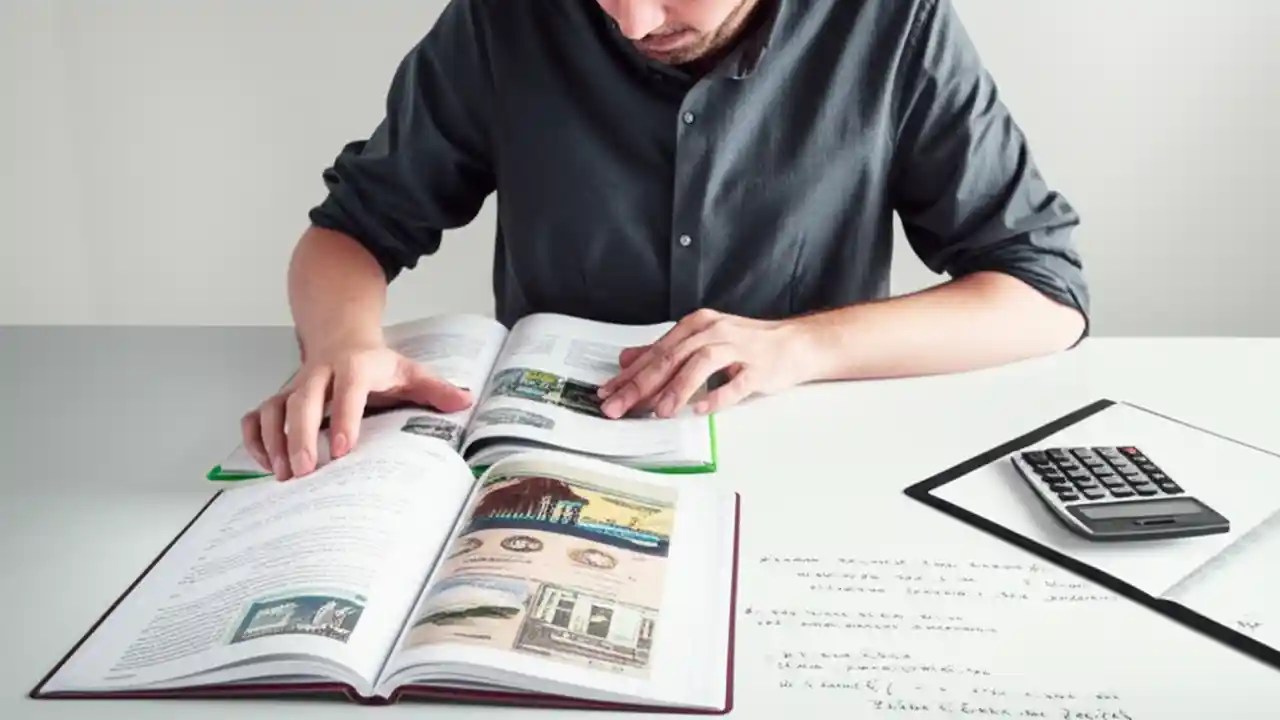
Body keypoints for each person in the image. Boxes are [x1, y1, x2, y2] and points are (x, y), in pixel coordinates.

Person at [242, 0, 1090, 481]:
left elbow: (1044, 294)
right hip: (534, 466)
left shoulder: (891, 22)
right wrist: (346, 343)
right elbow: (351, 230)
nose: (635, 20)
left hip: (799, 465)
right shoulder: (503, 21)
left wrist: (800, 346)